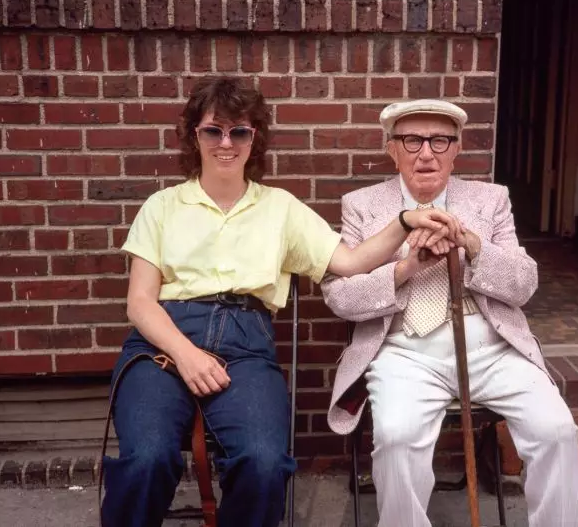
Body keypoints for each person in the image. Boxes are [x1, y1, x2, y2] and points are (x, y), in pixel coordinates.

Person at [99, 78, 461, 527]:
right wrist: (187, 354)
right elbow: (139, 303)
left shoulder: (280, 208)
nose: (226, 143)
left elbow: (349, 262)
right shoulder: (162, 207)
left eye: (239, 132)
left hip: (246, 346)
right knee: (146, 458)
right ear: (195, 136)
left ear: (256, 138)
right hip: (162, 345)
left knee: (264, 462)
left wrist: (404, 222)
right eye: (213, 131)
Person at [321, 99, 578, 527]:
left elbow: (523, 285)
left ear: (457, 149)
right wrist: (406, 269)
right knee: (398, 438)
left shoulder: (491, 200)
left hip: (492, 346)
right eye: (412, 140)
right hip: (403, 351)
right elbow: (340, 297)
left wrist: (474, 246)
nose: (427, 153)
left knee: (556, 432)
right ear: (392, 149)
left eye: (440, 140)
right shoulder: (362, 205)